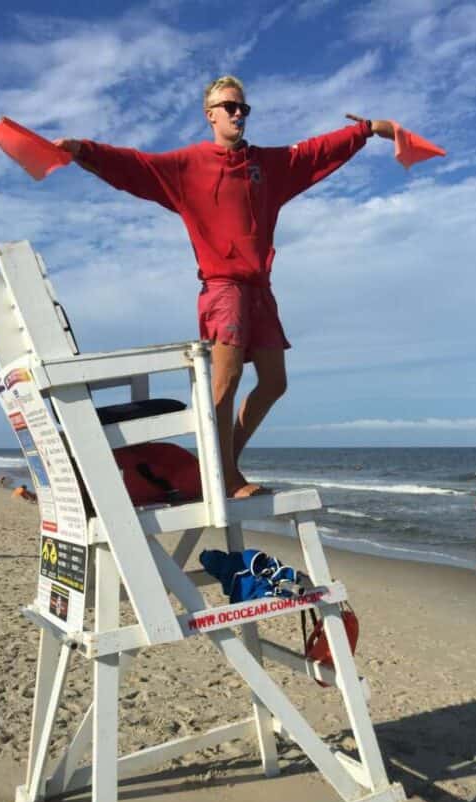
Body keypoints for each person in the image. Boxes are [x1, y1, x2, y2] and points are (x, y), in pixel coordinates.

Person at [54, 76, 396, 498]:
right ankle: (224, 475)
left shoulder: (267, 165)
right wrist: (83, 150)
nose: (237, 113)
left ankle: (218, 465)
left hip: (259, 288)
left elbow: (313, 152)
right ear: (210, 115)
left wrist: (364, 130)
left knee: (274, 382)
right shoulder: (186, 166)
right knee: (226, 378)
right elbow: (134, 166)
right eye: (229, 106)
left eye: (242, 107)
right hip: (222, 287)